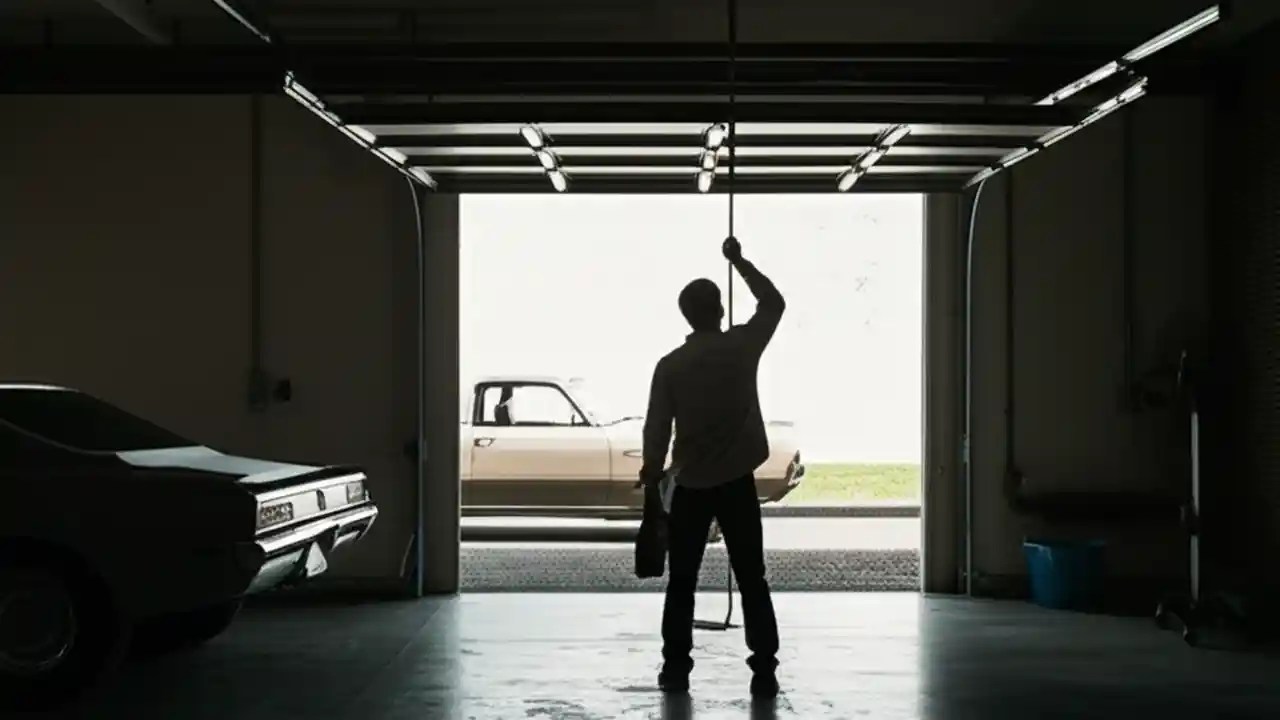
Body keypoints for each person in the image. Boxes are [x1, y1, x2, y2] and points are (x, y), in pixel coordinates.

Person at [640, 235, 785, 698]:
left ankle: (675, 668)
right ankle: (764, 667)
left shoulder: (671, 365)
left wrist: (651, 474)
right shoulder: (742, 347)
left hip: (691, 484)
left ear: (686, 315)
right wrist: (739, 261)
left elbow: (656, 428)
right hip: (737, 481)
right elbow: (773, 303)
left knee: (682, 580)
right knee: (752, 578)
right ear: (720, 310)